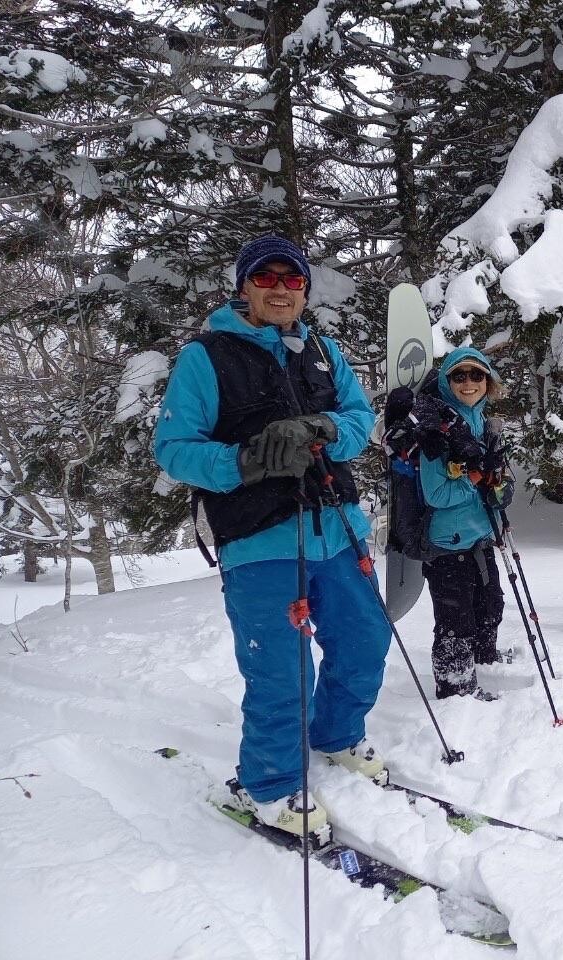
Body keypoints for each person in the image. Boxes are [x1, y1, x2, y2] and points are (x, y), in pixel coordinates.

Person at [154, 234, 391, 835]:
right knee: (282, 672)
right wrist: (246, 461)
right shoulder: (206, 357)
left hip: (337, 527)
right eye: (268, 278)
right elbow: (174, 451)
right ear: (244, 287)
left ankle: (337, 736)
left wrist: (325, 426)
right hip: (260, 541)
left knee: (365, 642)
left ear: (305, 290)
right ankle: (269, 785)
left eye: (293, 280)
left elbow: (362, 422)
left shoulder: (322, 350)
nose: (281, 289)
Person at [382, 347, 512, 700]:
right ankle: (455, 688)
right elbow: (438, 494)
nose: (468, 383)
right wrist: (474, 477)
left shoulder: (484, 424)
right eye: (459, 376)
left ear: (488, 382)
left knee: (490, 606)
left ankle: (484, 660)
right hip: (446, 542)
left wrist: (499, 488)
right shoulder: (436, 430)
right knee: (456, 623)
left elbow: (495, 480)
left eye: (476, 375)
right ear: (446, 381)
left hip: (481, 535)